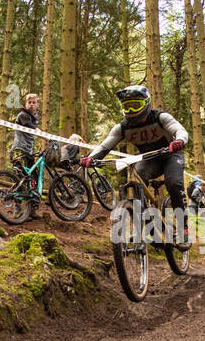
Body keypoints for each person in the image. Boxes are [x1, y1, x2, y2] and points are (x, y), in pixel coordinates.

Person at [81, 85, 189, 246]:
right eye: (127, 106)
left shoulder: (161, 117)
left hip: (171, 155)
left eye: (135, 105)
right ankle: (144, 227)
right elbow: (104, 146)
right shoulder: (122, 127)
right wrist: (90, 158)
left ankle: (183, 227)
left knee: (174, 183)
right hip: (149, 159)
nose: (131, 111)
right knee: (135, 185)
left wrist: (179, 141)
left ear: (146, 103)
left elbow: (180, 130)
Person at [12, 93, 40, 168]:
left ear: (37, 105)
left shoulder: (36, 118)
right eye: (29, 102)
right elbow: (32, 128)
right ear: (25, 104)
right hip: (19, 150)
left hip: (29, 153)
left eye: (34, 102)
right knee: (20, 175)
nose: (31, 104)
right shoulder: (22, 115)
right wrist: (49, 139)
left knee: (34, 177)